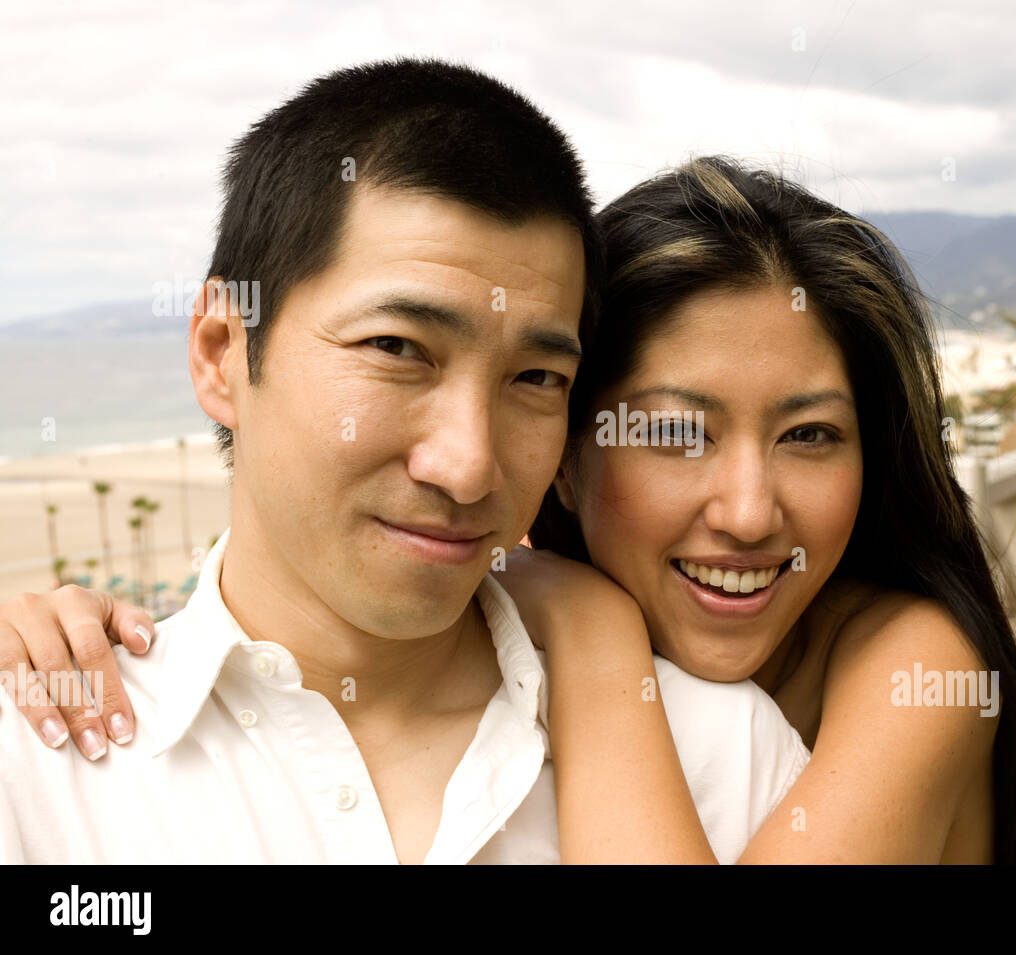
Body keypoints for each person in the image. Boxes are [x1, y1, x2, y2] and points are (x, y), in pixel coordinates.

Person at [0, 61, 811, 865]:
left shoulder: (721, 756)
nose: (467, 466)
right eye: (396, 348)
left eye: (535, 378)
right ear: (222, 351)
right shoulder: (36, 762)